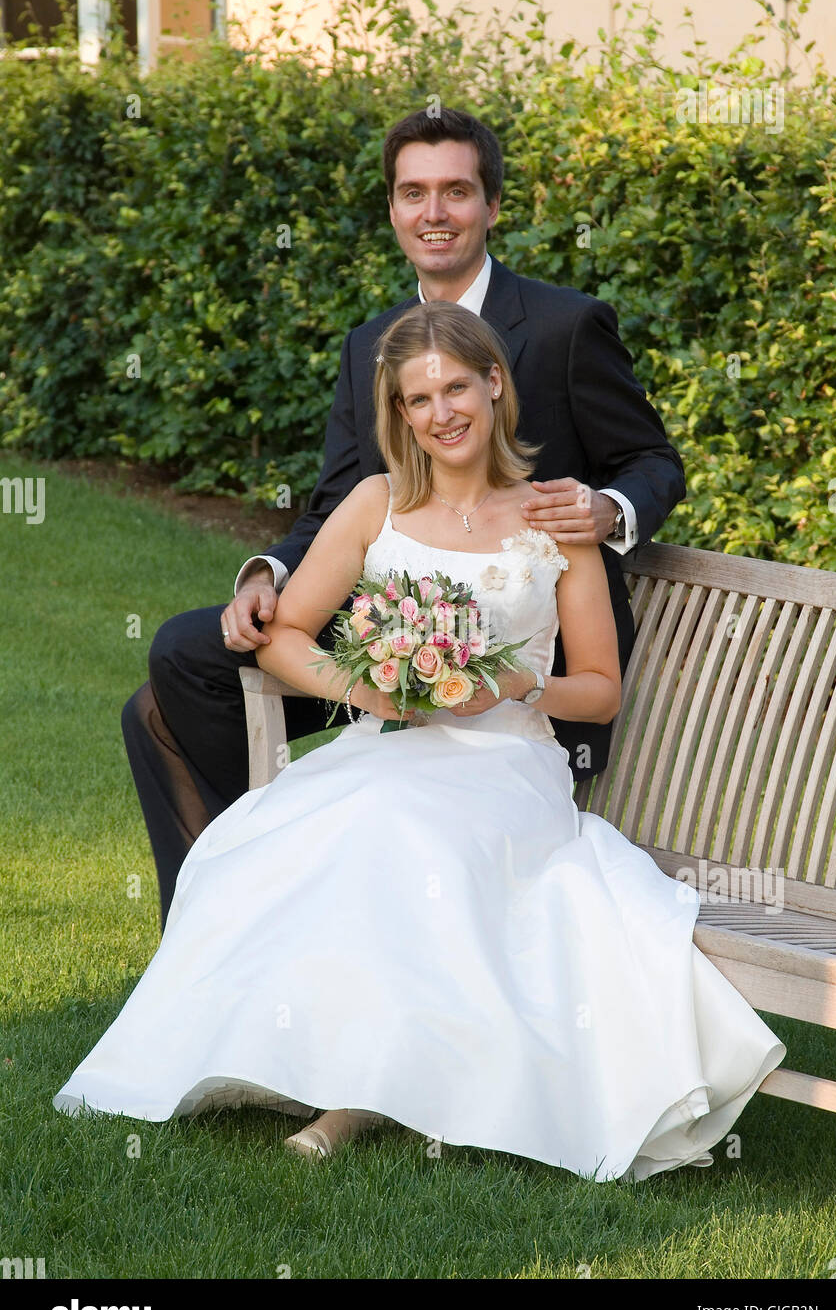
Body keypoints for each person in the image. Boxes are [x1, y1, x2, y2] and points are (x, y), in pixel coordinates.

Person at [55, 303, 785, 1184]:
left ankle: (352, 1097)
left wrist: (515, 683)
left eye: (454, 387)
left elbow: (600, 687)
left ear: (494, 384)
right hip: (390, 746)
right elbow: (286, 635)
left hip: (509, 759)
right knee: (316, 824)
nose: (440, 412)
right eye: (416, 399)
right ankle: (312, 1057)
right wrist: (364, 687)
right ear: (398, 415)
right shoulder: (378, 504)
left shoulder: (552, 519)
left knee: (399, 826)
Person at [121, 106, 686, 932]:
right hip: (391, 642)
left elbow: (654, 463)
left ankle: (249, 903)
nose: (433, 213)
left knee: (161, 714)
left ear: (491, 205)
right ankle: (224, 915)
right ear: (391, 208)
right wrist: (269, 577)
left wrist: (606, 507)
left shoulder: (565, 326)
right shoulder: (370, 344)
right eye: (412, 193)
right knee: (177, 667)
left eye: (455, 191)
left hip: (526, 657)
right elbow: (339, 498)